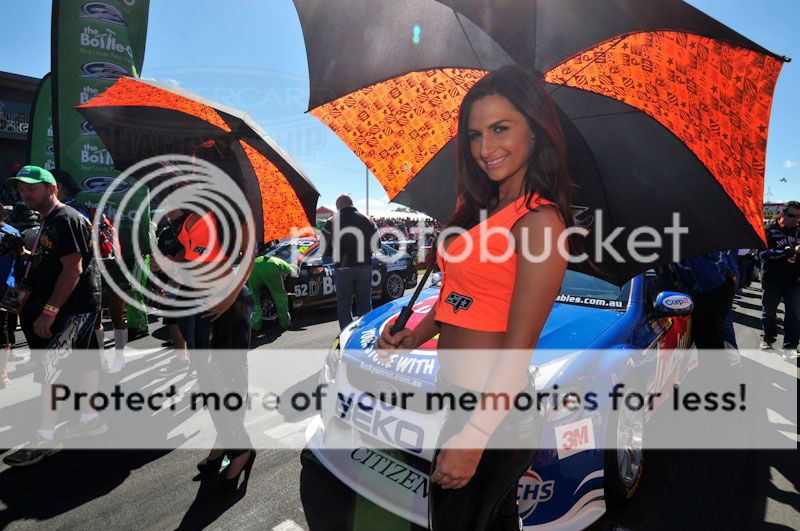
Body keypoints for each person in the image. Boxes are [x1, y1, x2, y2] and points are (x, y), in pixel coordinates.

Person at [378, 66, 573, 530]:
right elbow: (460, 297)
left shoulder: (540, 223)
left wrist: (475, 436)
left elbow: (517, 348)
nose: (486, 149)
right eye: (474, 135)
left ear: (535, 130)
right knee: (497, 521)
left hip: (494, 411)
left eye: (501, 129)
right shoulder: (483, 212)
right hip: (458, 395)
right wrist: (416, 333)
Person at [2, 166, 104, 467]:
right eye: (21, 189)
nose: (25, 194)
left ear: (52, 188)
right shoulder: (50, 220)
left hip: (71, 308)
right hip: (72, 306)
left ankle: (46, 438)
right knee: (81, 365)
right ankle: (89, 419)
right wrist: (24, 254)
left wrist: (48, 312)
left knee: (51, 371)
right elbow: (53, 262)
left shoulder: (65, 218)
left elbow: (73, 268)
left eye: (32, 188)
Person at [164, 198, 256, 491]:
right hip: (202, 302)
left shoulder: (224, 208)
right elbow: (194, 255)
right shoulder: (189, 217)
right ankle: (226, 438)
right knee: (208, 379)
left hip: (228, 302)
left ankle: (240, 447)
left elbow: (248, 254)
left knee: (225, 378)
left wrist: (227, 299)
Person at [52, 169, 127, 373]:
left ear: (59, 188)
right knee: (115, 315)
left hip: (91, 271)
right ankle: (117, 359)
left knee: (97, 319)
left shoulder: (66, 213)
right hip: (110, 266)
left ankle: (103, 359)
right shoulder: (87, 210)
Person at [321, 194, 378, 330]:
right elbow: (377, 245)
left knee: (344, 305)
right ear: (351, 204)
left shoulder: (331, 221)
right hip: (364, 265)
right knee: (365, 303)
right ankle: (364, 335)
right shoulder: (367, 220)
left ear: (339, 206)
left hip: (342, 267)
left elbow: (324, 248)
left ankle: (346, 336)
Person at [759, 201, 800, 359]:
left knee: (794, 314)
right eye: (791, 215)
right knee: (768, 313)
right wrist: (785, 252)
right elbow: (762, 254)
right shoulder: (770, 230)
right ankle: (768, 338)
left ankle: (790, 345)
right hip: (772, 280)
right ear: (782, 214)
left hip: (794, 280)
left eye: (798, 216)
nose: (795, 219)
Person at [247, 255, 298, 331]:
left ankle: (255, 326)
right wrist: (286, 290)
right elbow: (293, 277)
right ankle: (285, 323)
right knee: (280, 298)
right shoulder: (289, 268)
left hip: (253, 266)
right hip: (271, 267)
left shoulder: (280, 260)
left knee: (255, 300)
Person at [0, 202, 20, 388]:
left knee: (4, 329)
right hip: (9, 289)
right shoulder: (13, 232)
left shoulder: (11, 233)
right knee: (5, 329)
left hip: (7, 289)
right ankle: (3, 374)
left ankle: (3, 373)